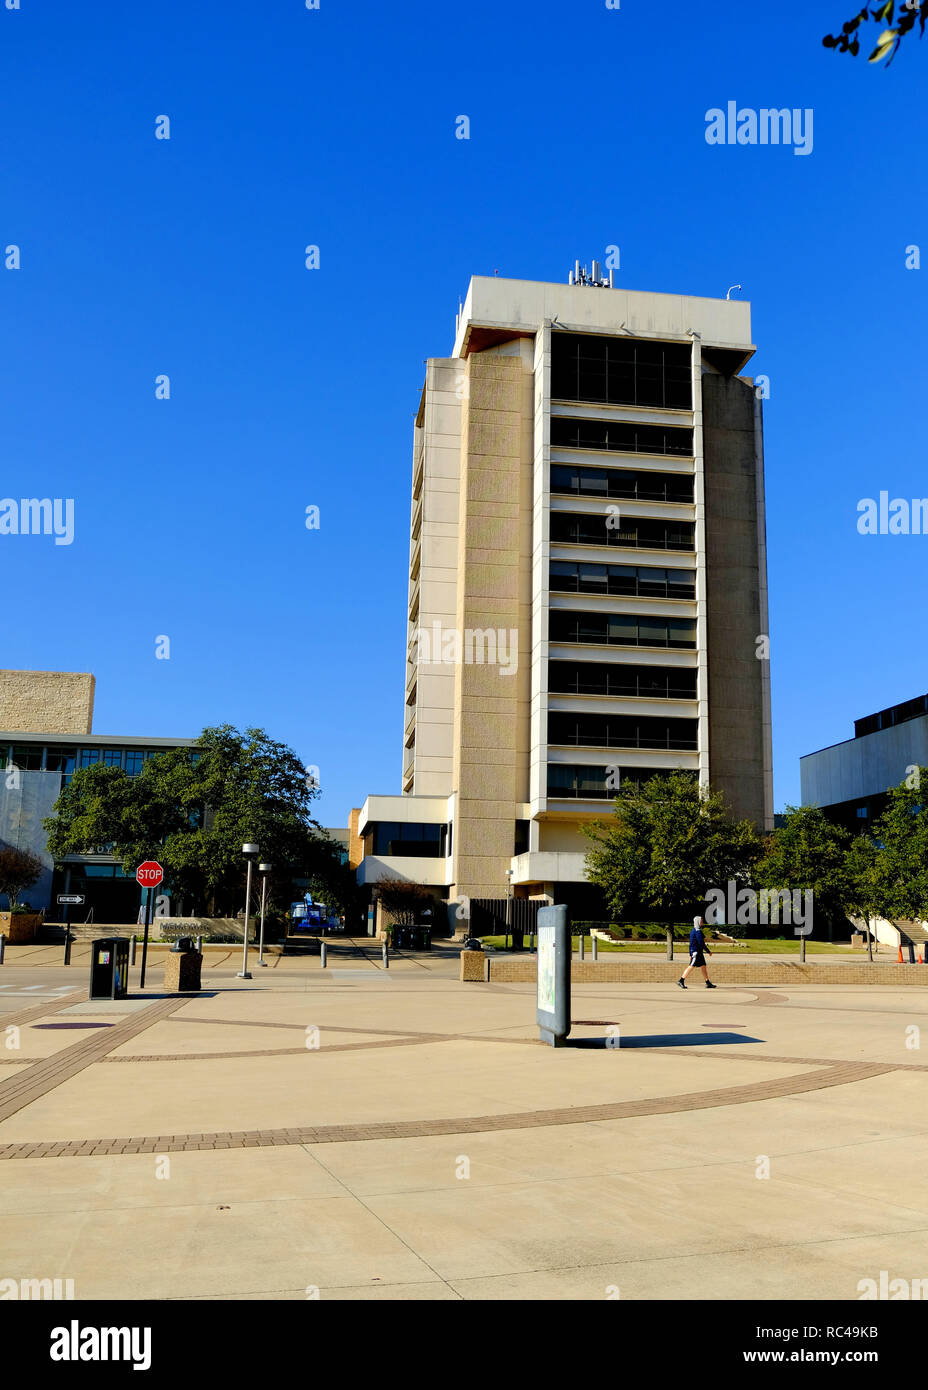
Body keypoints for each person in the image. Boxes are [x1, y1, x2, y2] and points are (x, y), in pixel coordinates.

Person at [678, 914, 716, 989]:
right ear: (698, 921)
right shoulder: (697, 931)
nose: (702, 922)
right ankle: (681, 980)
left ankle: (708, 982)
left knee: (703, 967)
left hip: (698, 952)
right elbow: (701, 943)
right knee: (691, 966)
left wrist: (690, 953)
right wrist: (708, 951)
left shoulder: (694, 930)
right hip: (696, 953)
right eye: (701, 921)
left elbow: (691, 943)